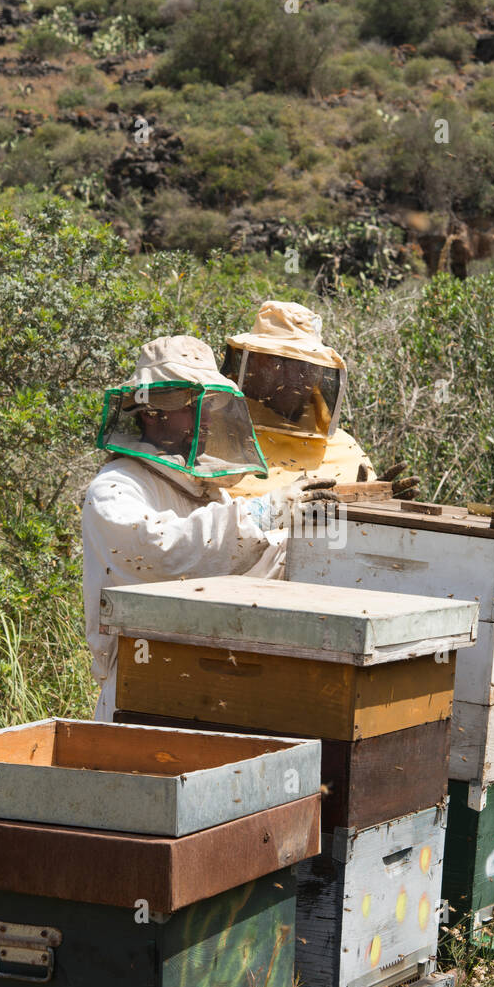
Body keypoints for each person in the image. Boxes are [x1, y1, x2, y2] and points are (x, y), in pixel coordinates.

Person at [82, 334, 335, 721]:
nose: (206, 420)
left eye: (211, 407)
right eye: (194, 407)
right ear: (153, 411)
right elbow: (165, 553)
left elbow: (253, 560)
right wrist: (267, 512)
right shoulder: (115, 489)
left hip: (208, 684)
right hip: (141, 683)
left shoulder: (206, 490)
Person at [220, 300, 419, 500]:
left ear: (318, 370)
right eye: (282, 361)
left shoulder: (345, 448)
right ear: (253, 363)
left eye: (304, 365)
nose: (295, 375)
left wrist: (377, 503)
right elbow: (203, 522)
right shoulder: (214, 436)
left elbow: (354, 526)